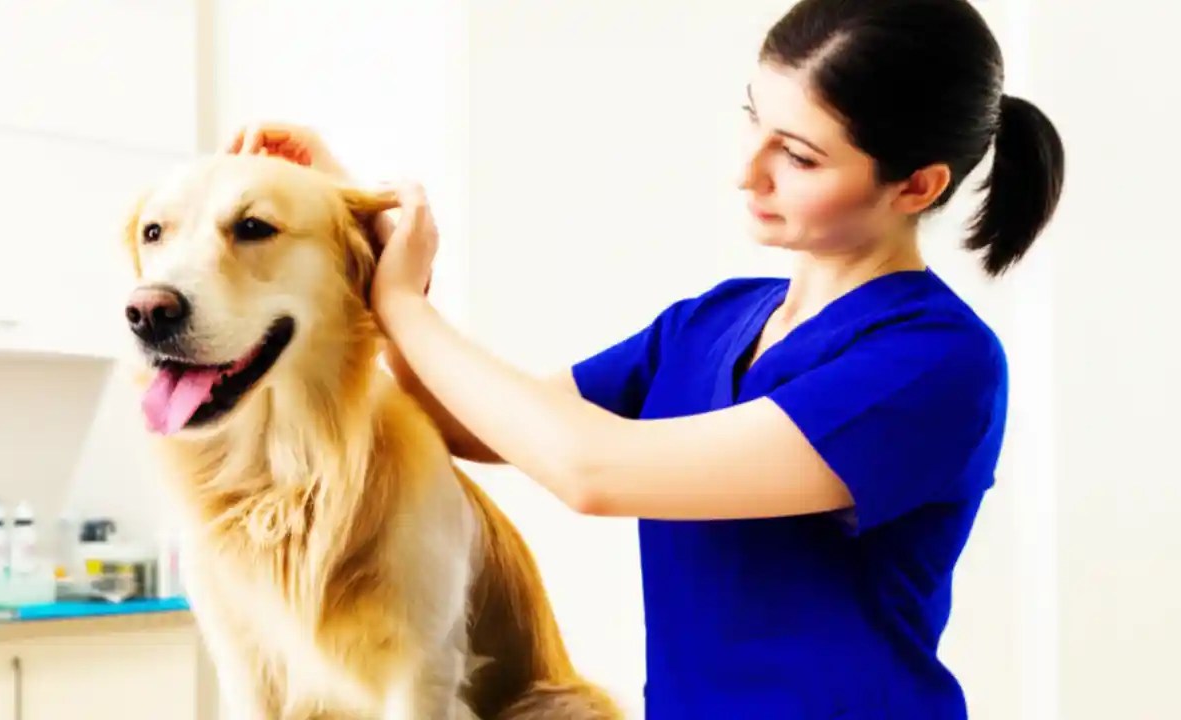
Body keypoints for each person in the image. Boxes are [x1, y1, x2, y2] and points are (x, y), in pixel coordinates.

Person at [230, 0, 1065, 716]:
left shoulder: (934, 363)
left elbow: (592, 471)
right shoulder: (710, 323)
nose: (748, 170)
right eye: (753, 118)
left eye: (800, 156)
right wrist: (351, 236)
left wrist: (403, 305)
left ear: (916, 187)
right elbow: (475, 427)